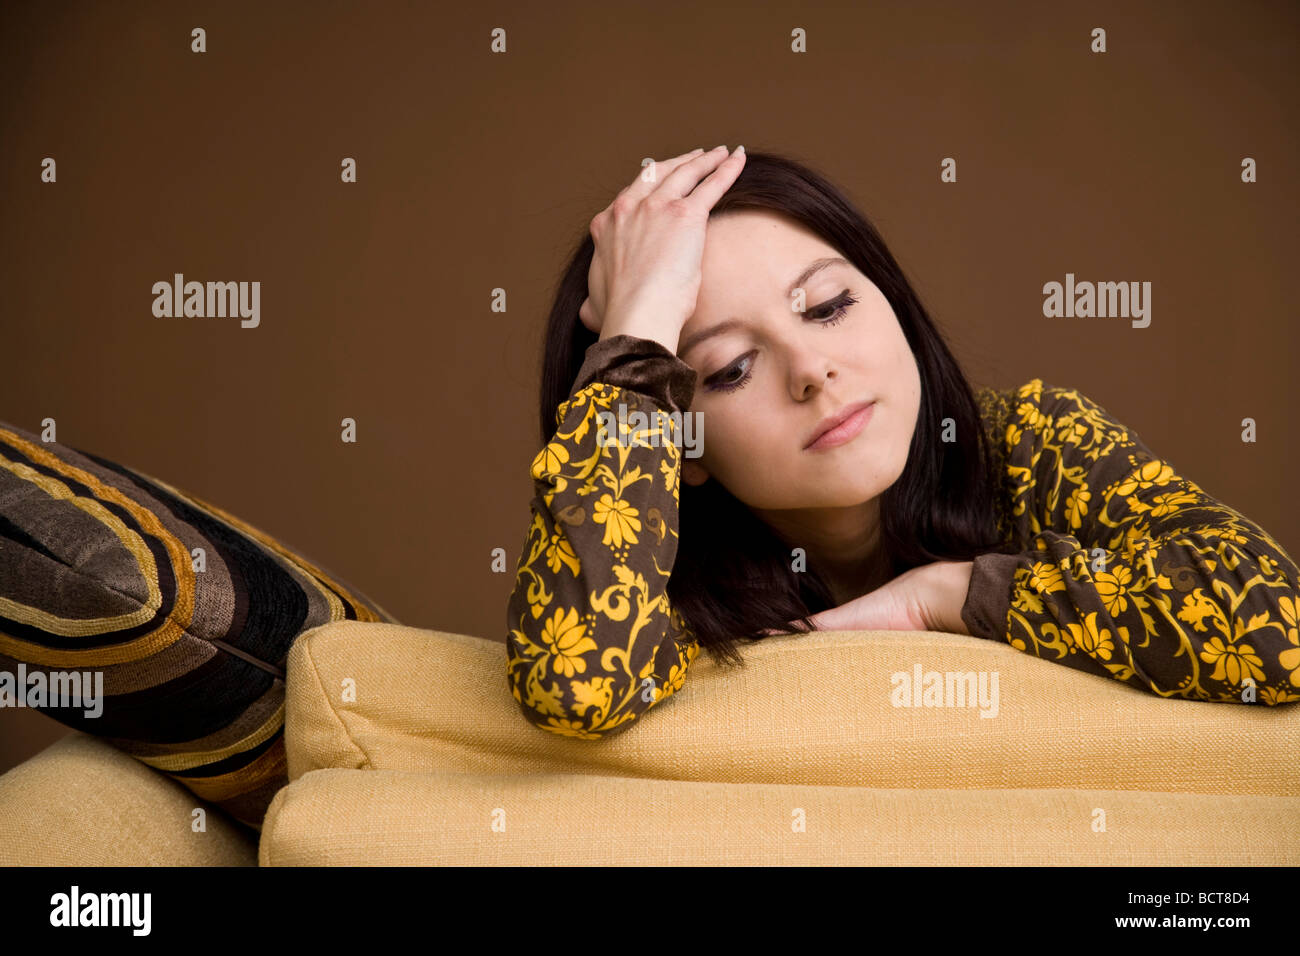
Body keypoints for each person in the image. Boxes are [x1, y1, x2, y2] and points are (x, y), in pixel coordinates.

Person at [506, 145, 1300, 739]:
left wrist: (949, 599)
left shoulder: (1028, 445)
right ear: (679, 443)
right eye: (733, 367)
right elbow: (576, 683)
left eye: (826, 306)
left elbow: (1278, 623)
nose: (814, 369)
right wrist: (641, 323)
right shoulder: (658, 576)